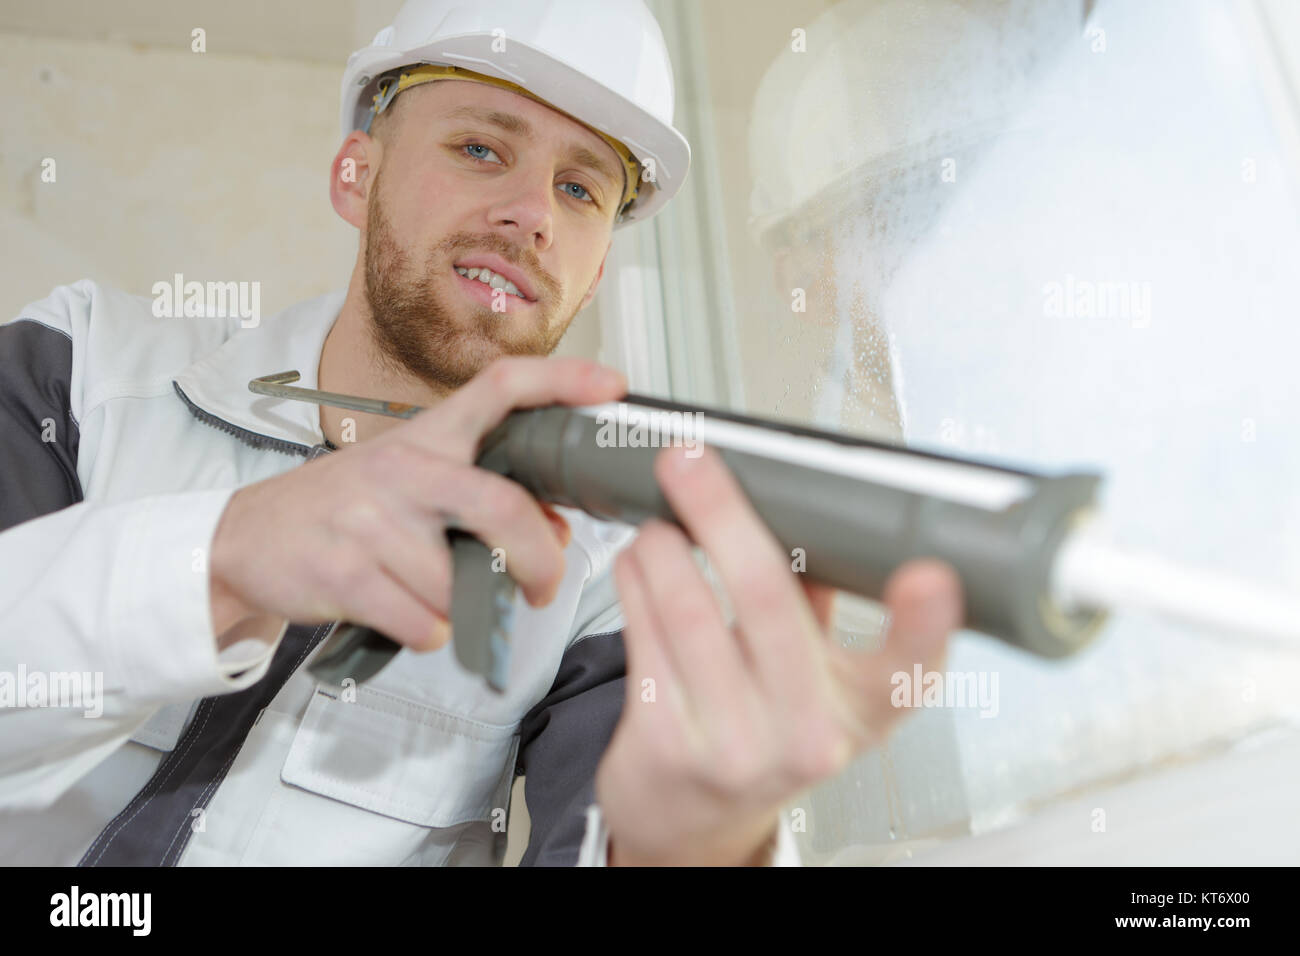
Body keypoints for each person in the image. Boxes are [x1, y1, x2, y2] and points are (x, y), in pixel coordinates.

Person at [0, 0, 963, 866]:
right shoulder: (82, 363)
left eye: (582, 190)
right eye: (480, 150)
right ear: (355, 173)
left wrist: (695, 850)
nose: (532, 214)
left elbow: (628, 837)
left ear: (592, 280)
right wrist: (226, 559)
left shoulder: (600, 575)